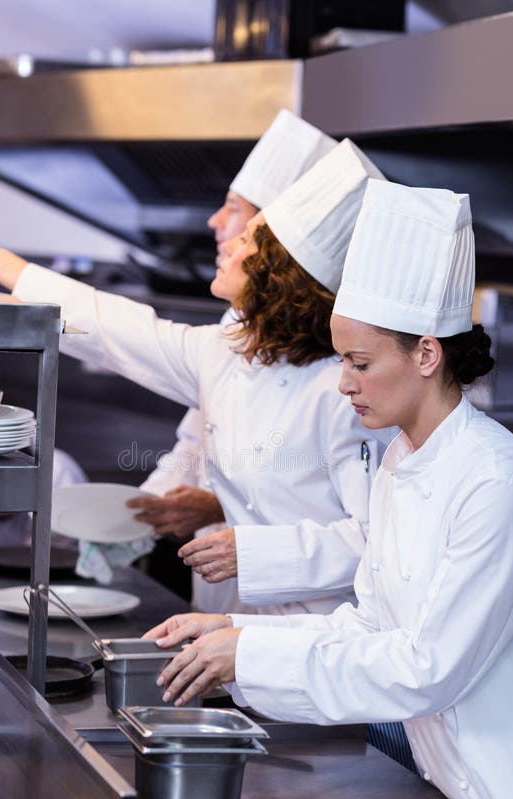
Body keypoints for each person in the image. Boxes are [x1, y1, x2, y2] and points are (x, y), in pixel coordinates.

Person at [143, 180, 513, 799]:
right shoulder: (398, 461)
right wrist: (232, 627)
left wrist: (252, 657)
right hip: (447, 793)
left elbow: (427, 668)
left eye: (358, 362)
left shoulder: (496, 480)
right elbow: (368, 621)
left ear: (427, 353)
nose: (343, 381)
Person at [0, 138, 394, 617]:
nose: (225, 237)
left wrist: (250, 548)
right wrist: (8, 268)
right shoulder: (226, 351)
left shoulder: (347, 391)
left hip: (324, 642)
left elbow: (376, 545)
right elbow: (118, 329)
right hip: (235, 634)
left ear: (280, 277)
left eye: (248, 237)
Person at [133, 109, 337, 613]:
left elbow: (332, 508)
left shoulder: (337, 369)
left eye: (234, 210)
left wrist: (217, 504)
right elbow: (195, 440)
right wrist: (127, 521)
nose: (215, 223)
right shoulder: (235, 328)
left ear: (275, 241)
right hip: (222, 603)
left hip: (302, 616)